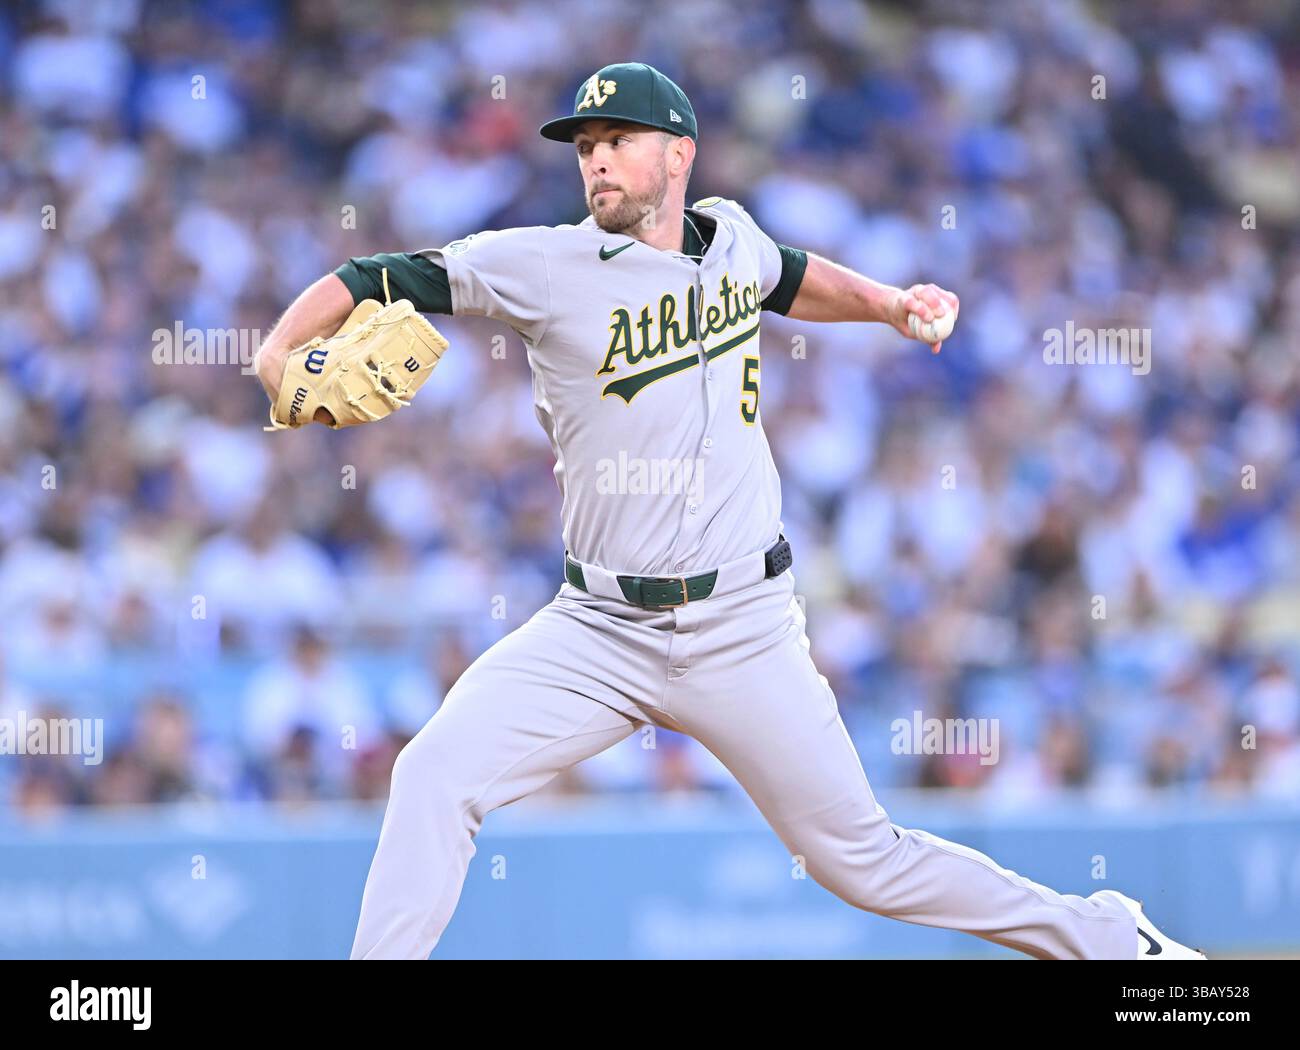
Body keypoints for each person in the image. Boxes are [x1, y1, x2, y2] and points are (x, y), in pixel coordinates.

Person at [254, 62, 1203, 960]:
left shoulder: (733, 238)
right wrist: (277, 354)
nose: (593, 159)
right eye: (583, 144)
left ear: (679, 153)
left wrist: (887, 303)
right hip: (599, 627)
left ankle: (1107, 939)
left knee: (861, 860)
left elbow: (790, 277)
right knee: (433, 776)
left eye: (617, 138)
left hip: (743, 626)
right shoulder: (542, 265)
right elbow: (379, 274)